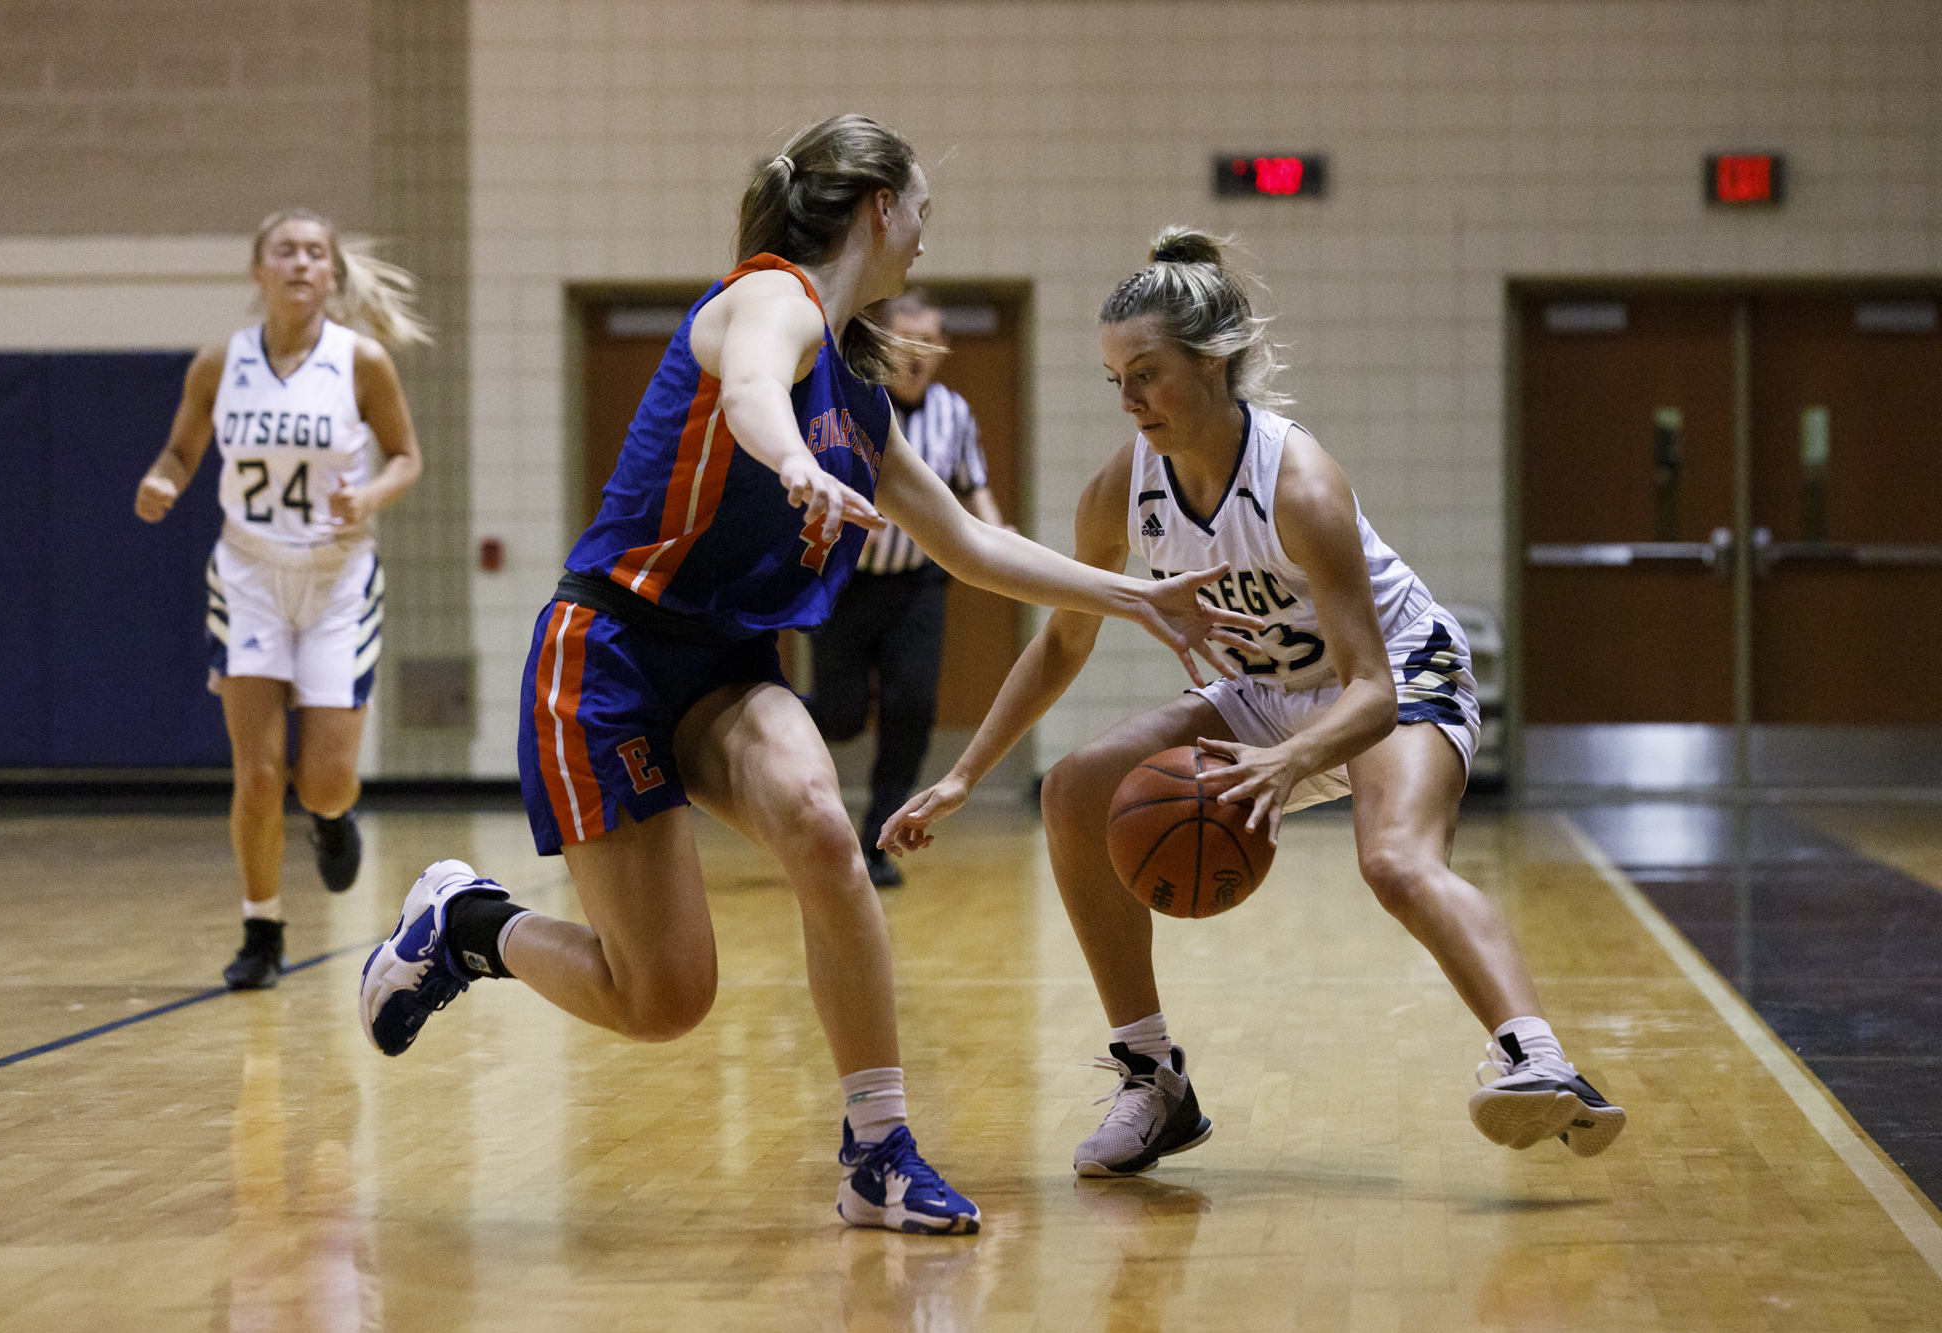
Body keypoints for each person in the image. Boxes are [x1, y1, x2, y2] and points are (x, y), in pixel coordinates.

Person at [354, 117, 1261, 1234]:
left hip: (728, 665)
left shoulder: (861, 390)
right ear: (879, 208)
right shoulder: (769, 297)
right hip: (611, 653)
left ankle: (877, 1153)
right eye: (922, 210)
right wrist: (789, 464)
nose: (927, 237)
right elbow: (747, 395)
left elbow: (971, 548)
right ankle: (469, 924)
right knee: (664, 999)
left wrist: (1133, 596)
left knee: (823, 827)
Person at [881, 227, 1626, 1176]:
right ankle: (1153, 1079)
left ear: (1214, 359)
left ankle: (1540, 1061)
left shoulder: (1298, 481)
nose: (1130, 399)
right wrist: (960, 775)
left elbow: (1368, 688)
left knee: (1397, 860)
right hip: (1265, 690)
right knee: (1071, 790)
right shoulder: (1122, 488)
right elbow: (1063, 640)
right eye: (1114, 379)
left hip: (1396, 672)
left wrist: (1293, 760)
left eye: (1146, 373)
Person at [135, 209, 427, 990]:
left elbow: (406, 457)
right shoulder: (218, 364)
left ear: (331, 273)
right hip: (250, 575)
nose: (300, 262)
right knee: (258, 775)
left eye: (315, 252)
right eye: (285, 250)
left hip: (336, 578)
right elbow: (181, 447)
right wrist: (165, 479)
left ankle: (331, 821)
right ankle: (261, 928)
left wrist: (368, 496)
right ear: (258, 270)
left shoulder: (360, 361)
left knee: (323, 780)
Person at [806, 290, 1010, 888]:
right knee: (841, 714)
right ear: (885, 347)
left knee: (912, 709)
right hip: (846, 585)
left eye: (929, 341)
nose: (919, 353)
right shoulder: (855, 403)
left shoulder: (956, 413)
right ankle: (754, 717)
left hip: (917, 587)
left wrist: (1000, 538)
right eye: (907, 341)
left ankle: (875, 842)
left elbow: (974, 489)